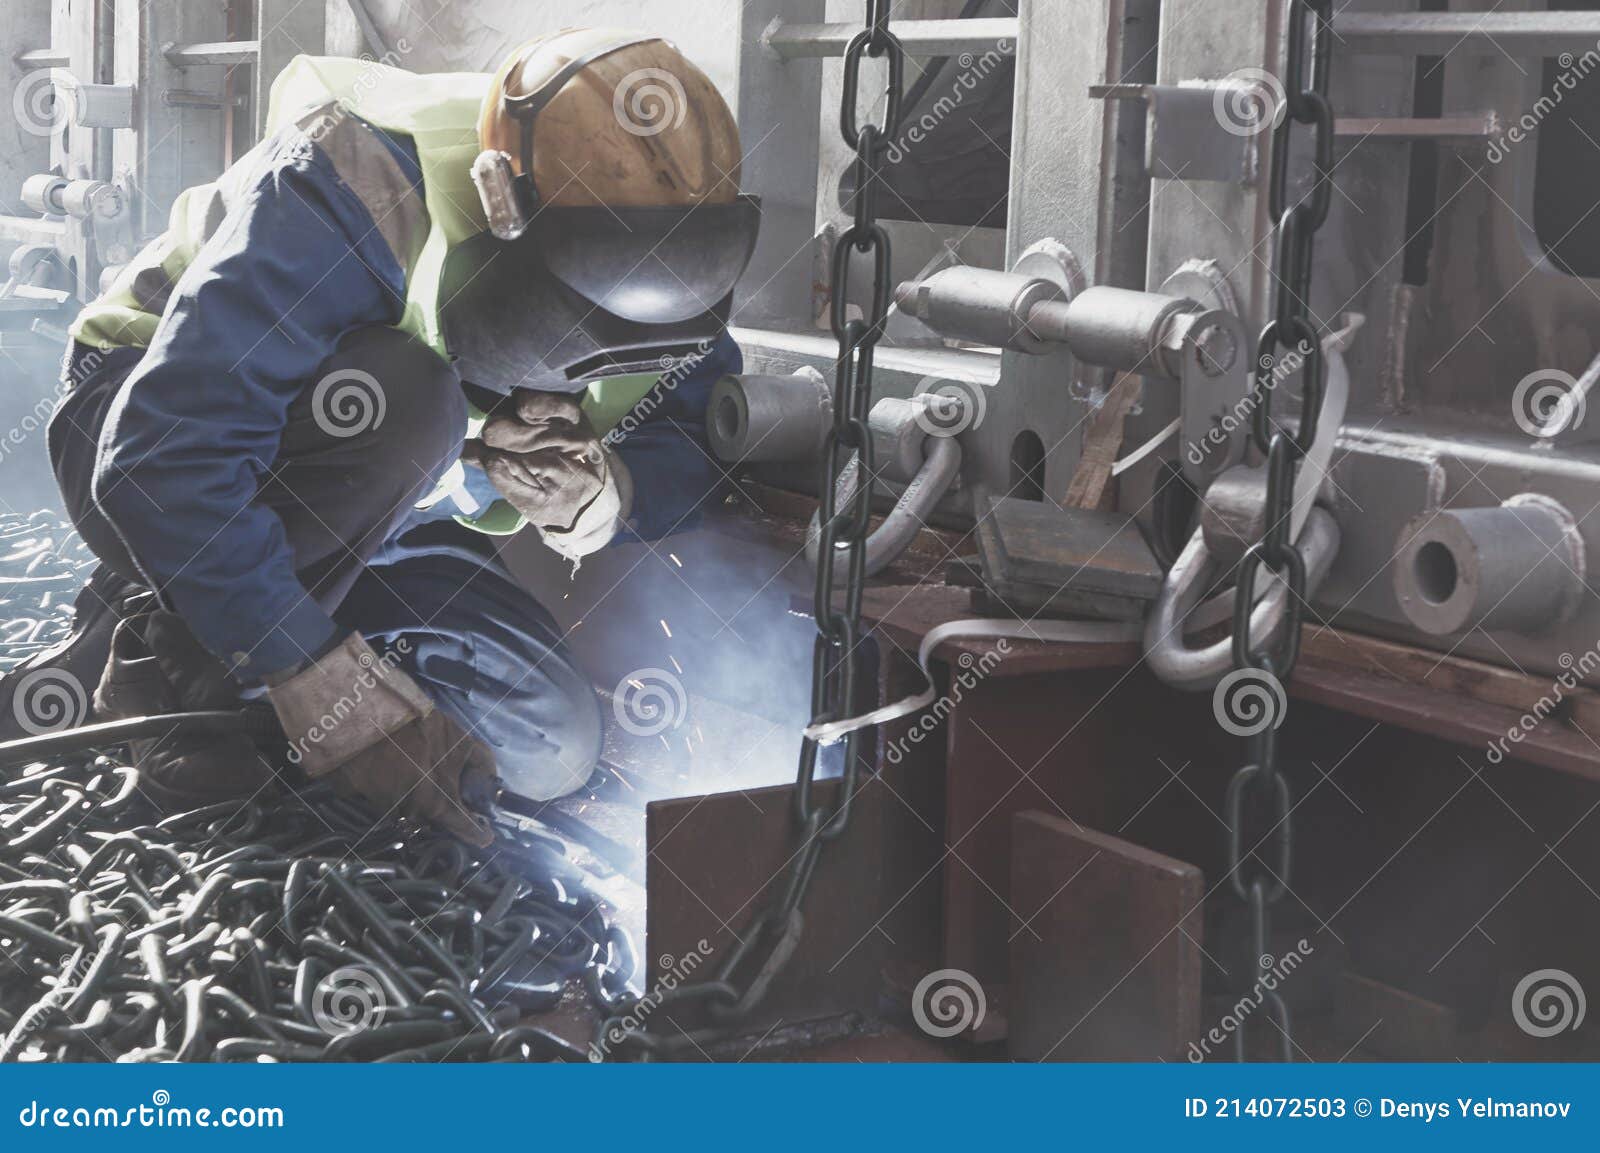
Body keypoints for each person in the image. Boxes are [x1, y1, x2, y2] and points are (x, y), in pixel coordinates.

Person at [17, 28, 759, 845]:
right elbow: (166, 460)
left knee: (551, 745)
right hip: (150, 436)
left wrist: (600, 493)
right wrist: (327, 690)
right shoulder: (354, 182)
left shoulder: (672, 252)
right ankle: (174, 662)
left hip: (394, 509)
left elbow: (698, 433)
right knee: (410, 400)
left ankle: (264, 625)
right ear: (503, 205)